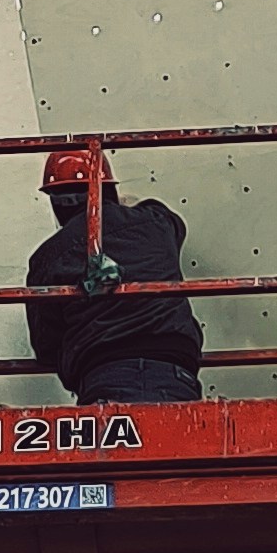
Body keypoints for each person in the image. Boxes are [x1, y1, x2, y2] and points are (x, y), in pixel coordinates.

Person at [24, 150, 205, 406]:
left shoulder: (48, 257)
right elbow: (173, 222)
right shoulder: (155, 223)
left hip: (103, 375)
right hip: (176, 371)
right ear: (108, 188)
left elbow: (46, 346)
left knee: (113, 446)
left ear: (56, 201)